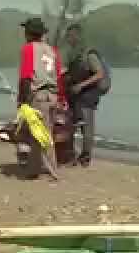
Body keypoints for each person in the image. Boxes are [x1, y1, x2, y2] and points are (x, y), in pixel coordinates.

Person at [15, 17, 65, 180]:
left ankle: (51, 171)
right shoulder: (53, 51)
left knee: (39, 133)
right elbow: (58, 77)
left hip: (38, 95)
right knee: (41, 131)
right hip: (53, 95)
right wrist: (61, 99)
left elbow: (26, 77)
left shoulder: (28, 49)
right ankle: (35, 167)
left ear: (29, 33)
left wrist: (22, 100)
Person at [64, 23, 109, 167]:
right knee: (72, 124)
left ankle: (85, 157)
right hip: (77, 94)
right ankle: (71, 154)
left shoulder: (89, 54)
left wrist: (80, 86)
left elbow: (99, 73)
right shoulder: (75, 54)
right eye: (67, 36)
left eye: (70, 36)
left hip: (88, 94)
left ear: (77, 36)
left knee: (87, 127)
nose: (68, 39)